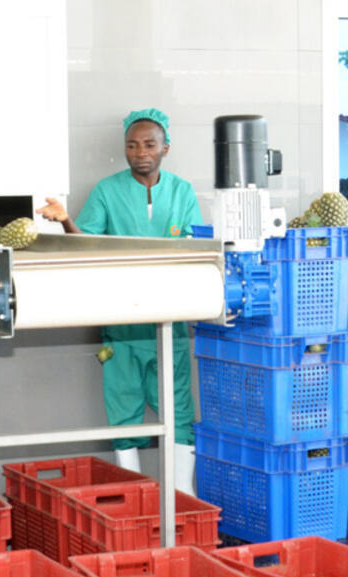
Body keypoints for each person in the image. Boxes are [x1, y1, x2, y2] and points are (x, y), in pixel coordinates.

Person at [37, 108, 201, 495]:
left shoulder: (182, 192)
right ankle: (135, 499)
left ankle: (183, 499)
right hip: (121, 322)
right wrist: (64, 221)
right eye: (131, 145)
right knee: (123, 410)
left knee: (178, 411)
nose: (139, 152)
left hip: (170, 319)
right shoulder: (107, 191)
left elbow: (196, 246)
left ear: (165, 148)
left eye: (148, 144)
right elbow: (83, 246)